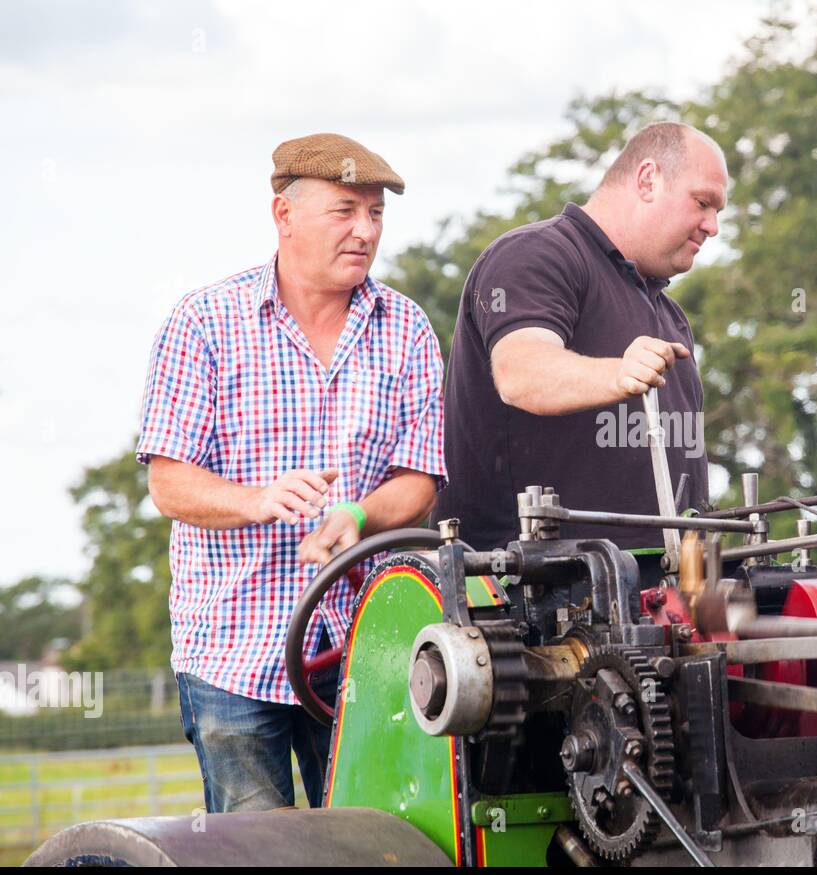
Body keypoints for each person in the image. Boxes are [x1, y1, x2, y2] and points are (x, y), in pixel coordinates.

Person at [136, 133, 446, 812]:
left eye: (375, 214)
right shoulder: (205, 323)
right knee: (256, 850)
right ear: (283, 215)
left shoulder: (408, 330)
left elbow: (419, 482)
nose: (364, 231)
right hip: (231, 651)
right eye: (344, 211)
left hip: (364, 650)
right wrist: (257, 500)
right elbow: (168, 483)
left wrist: (360, 516)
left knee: (372, 845)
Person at [433, 122, 728, 550]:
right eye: (703, 202)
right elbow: (521, 373)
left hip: (655, 595)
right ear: (648, 180)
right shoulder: (535, 254)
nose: (712, 226)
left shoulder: (670, 315)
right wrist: (618, 375)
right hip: (518, 594)